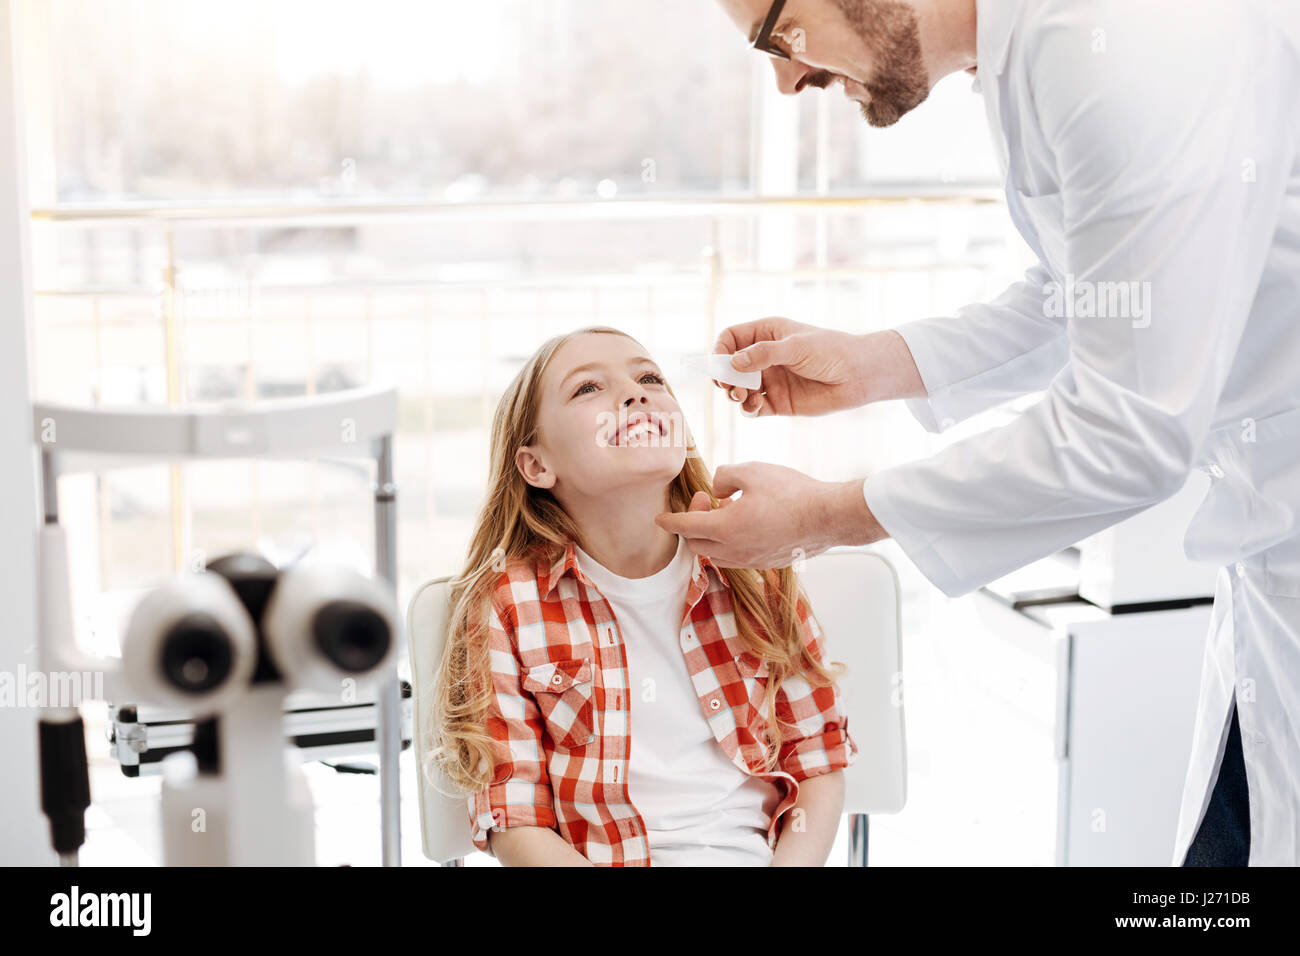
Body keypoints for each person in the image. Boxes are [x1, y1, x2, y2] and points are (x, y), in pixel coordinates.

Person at [659, 0, 1300, 866]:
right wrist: (873, 364)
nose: (786, 78)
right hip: (1267, 537)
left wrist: (823, 518)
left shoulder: (1130, 40)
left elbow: (1127, 433)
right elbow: (1093, 290)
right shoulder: (1036, 47)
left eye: (781, 30)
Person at [425, 326, 857, 866]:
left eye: (649, 377)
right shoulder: (510, 602)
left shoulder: (754, 568)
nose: (635, 394)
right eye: (588, 389)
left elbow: (817, 762)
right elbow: (514, 821)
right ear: (537, 465)